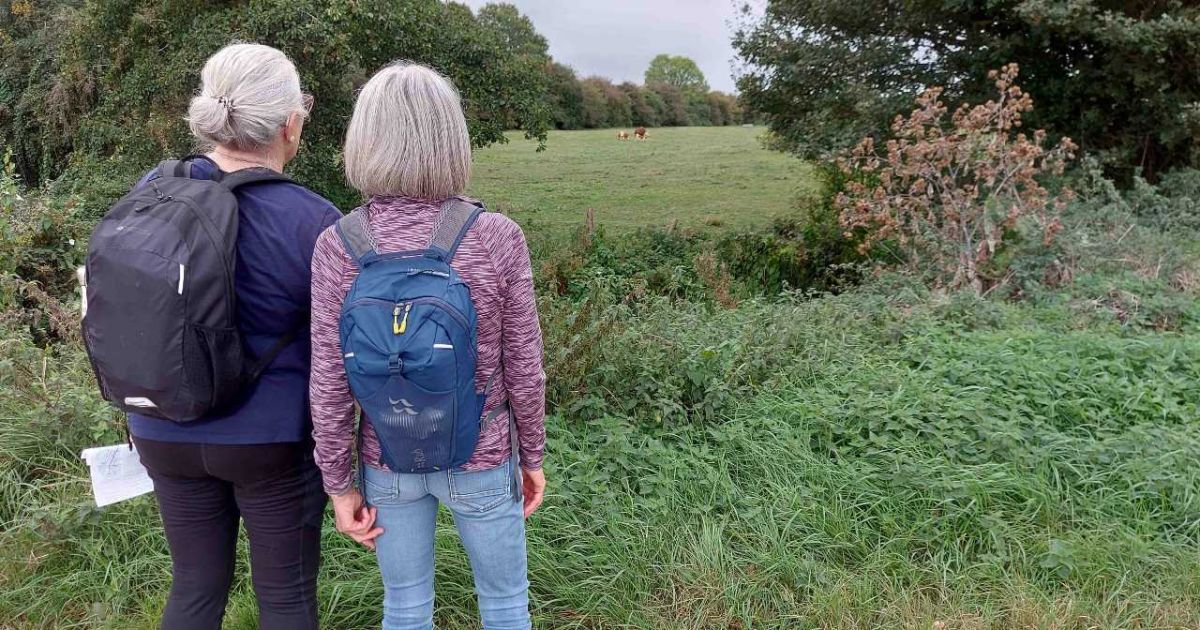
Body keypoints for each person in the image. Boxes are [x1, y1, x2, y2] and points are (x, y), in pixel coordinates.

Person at [310, 62, 547, 630]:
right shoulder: (496, 238)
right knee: (506, 605)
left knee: (406, 606)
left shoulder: (337, 246)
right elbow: (525, 368)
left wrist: (339, 484)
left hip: (387, 453)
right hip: (483, 452)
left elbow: (328, 383)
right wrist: (531, 456)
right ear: (451, 138)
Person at [127, 43, 339, 630]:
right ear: (290, 123)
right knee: (286, 599)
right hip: (268, 442)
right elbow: (338, 353)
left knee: (194, 589)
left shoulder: (153, 187)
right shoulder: (314, 220)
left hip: (161, 425)